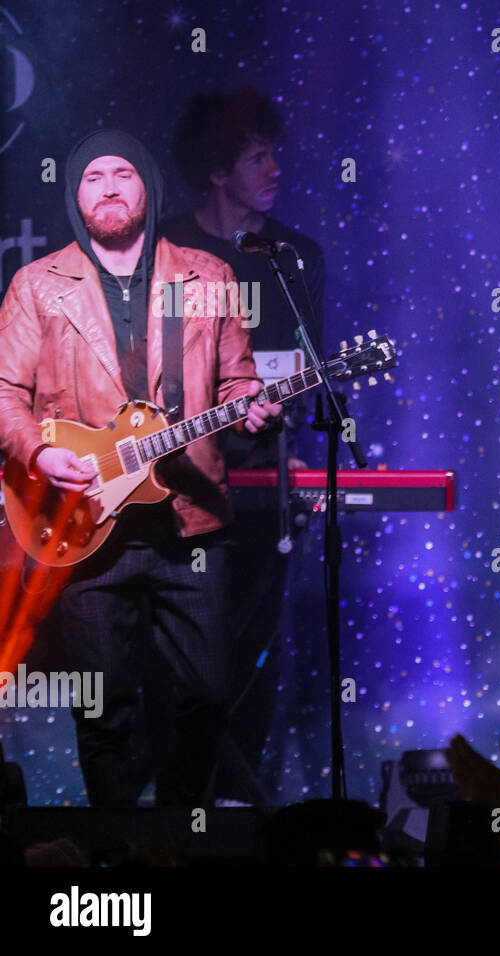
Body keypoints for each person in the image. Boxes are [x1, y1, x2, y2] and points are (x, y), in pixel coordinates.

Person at [0, 130, 281, 806]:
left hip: (191, 522)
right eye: (93, 176)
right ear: (75, 196)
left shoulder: (209, 276)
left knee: (211, 692)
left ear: (147, 187)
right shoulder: (39, 285)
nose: (109, 187)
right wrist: (39, 453)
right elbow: (4, 391)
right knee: (104, 708)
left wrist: (251, 408)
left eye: (123, 172)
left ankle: (180, 829)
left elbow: (237, 381)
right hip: (85, 525)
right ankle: (117, 844)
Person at [161, 87, 325, 804]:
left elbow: (303, 368)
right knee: (179, 659)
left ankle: (236, 811)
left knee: (254, 651)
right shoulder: (165, 252)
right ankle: (173, 811)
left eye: (275, 153)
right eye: (258, 155)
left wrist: (280, 409)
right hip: (173, 485)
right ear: (218, 169)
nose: (275, 167)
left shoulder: (296, 255)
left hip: (266, 480)